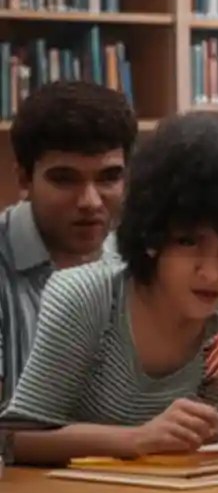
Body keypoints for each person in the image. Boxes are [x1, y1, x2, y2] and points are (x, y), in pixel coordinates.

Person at [0, 113, 218, 466]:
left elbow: (214, 459)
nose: (211, 272)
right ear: (152, 238)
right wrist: (137, 438)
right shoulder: (88, 297)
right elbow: (13, 439)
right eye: (189, 242)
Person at [0, 81, 136, 406]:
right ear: (23, 179)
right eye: (64, 179)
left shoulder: (138, 257)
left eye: (108, 177)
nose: (90, 201)